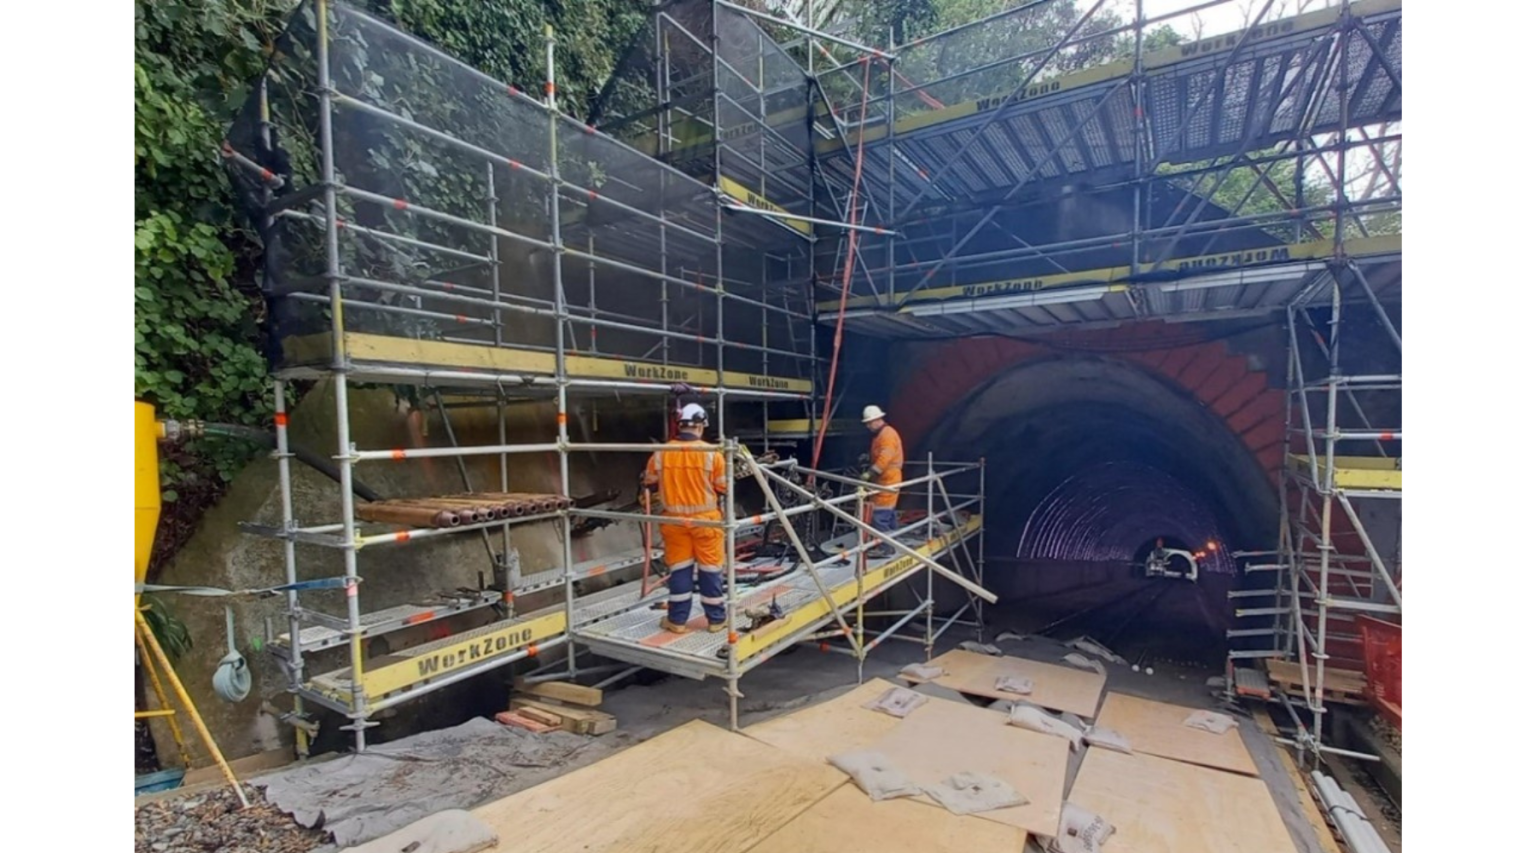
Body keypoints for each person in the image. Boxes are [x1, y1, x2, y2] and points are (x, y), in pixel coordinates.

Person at [642, 403, 730, 634]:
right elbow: (723, 487)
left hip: (674, 523)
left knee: (680, 570)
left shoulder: (660, 453)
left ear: (680, 426)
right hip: (706, 523)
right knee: (710, 570)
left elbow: (649, 483)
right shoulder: (712, 454)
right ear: (700, 426)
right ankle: (716, 620)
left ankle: (677, 621)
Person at [860, 405, 904, 558]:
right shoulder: (882, 435)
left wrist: (870, 473)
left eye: (869, 423)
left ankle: (886, 548)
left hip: (888, 478)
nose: (867, 426)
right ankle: (893, 541)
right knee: (889, 513)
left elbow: (885, 457)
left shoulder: (887, 435)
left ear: (877, 420)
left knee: (879, 514)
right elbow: (881, 454)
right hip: (885, 478)